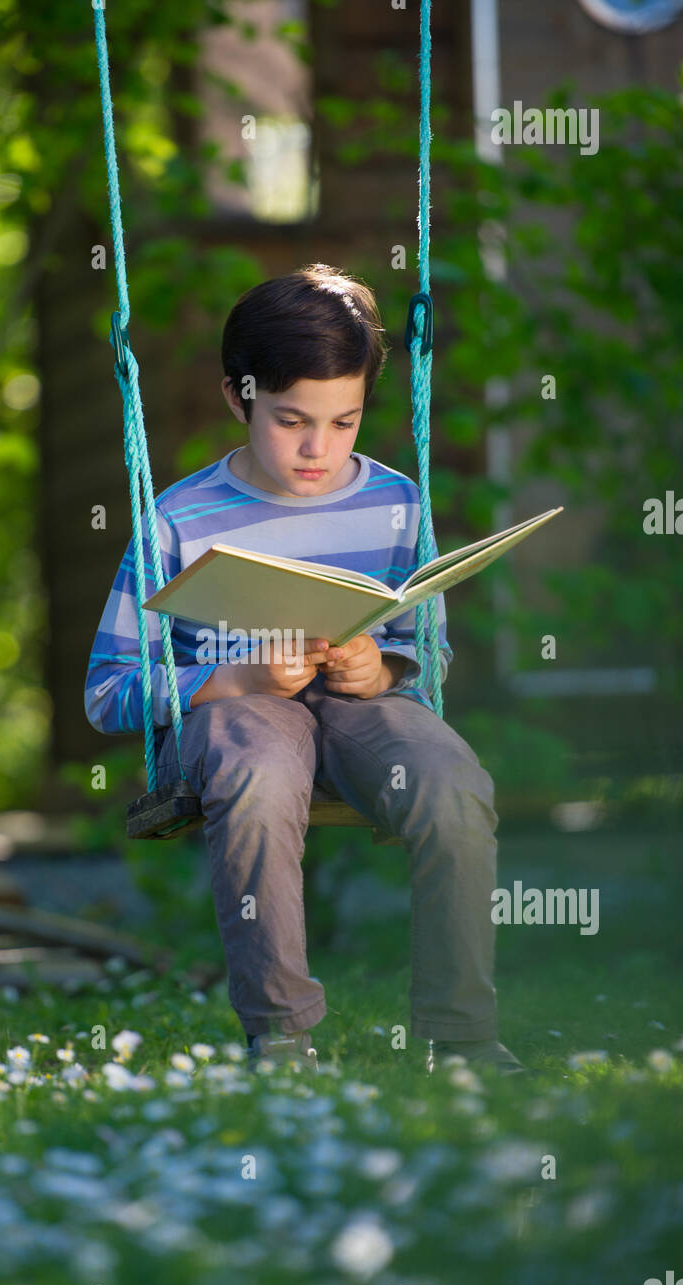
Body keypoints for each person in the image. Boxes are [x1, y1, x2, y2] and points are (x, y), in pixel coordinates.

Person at [84, 263, 527, 1077]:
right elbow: (109, 689)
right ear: (237, 396)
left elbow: (429, 650)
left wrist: (382, 666)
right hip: (239, 720)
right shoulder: (178, 519)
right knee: (255, 774)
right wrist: (232, 681)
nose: (318, 449)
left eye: (344, 421)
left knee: (452, 786)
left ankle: (460, 1034)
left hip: (364, 712)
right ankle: (281, 1036)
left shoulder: (395, 505)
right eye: (290, 420)